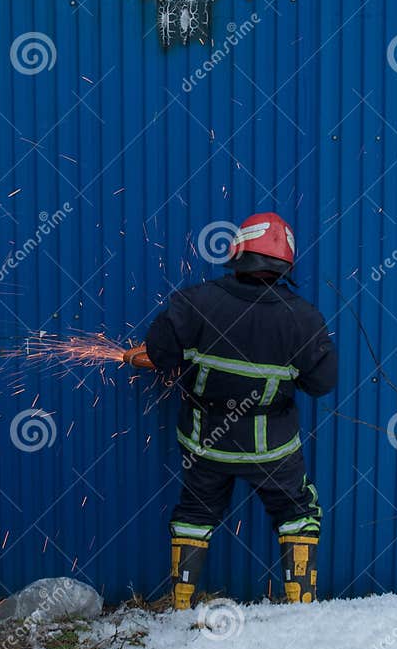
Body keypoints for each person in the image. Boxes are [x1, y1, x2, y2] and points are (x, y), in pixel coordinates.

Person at [125, 212, 337, 608]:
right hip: (272, 449)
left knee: (195, 512)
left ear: (238, 253)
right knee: (297, 512)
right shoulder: (305, 319)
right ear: (286, 263)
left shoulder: (192, 303)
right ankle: (302, 611)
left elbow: (159, 354)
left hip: (205, 443)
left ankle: (181, 607)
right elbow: (321, 384)